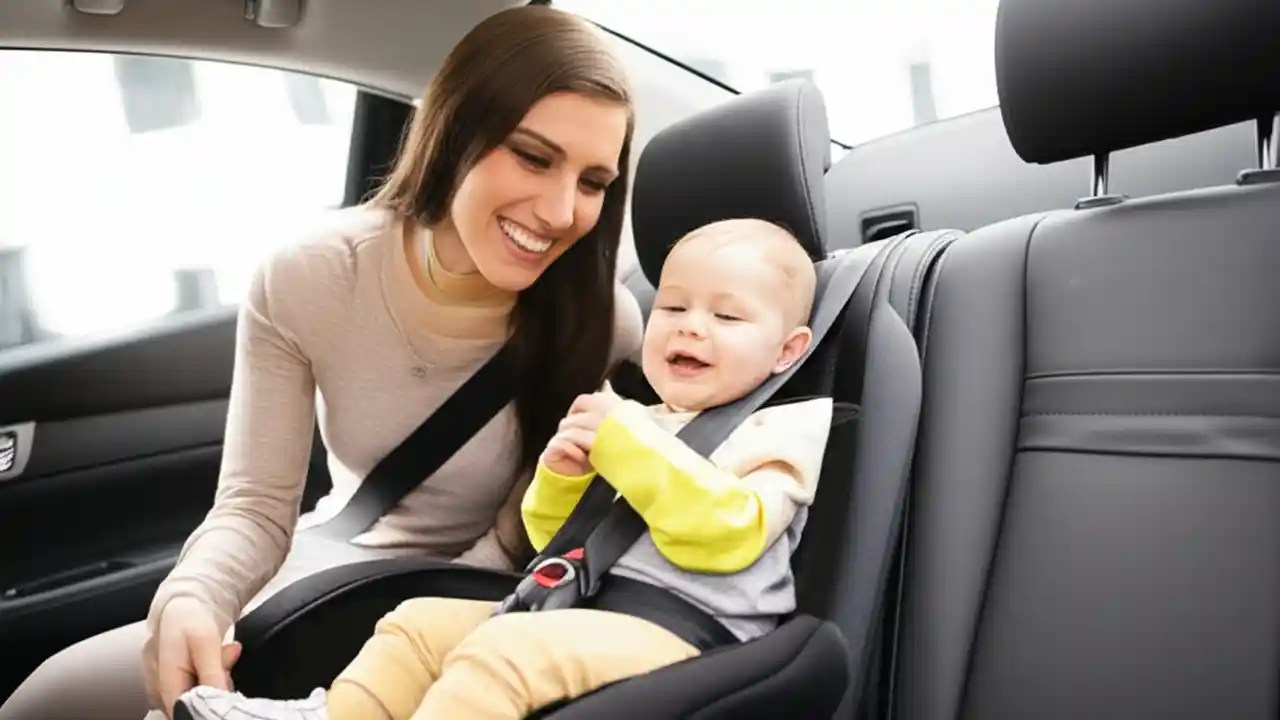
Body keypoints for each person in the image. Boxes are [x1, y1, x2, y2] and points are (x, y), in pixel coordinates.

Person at [0, 7, 643, 720]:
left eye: (593, 182)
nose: (560, 210)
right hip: (319, 570)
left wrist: (393, 640)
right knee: (43, 702)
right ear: (458, 133)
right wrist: (193, 595)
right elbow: (254, 506)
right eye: (533, 156)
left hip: (466, 612)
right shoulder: (311, 275)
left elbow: (523, 542)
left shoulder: (605, 324)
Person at [175, 218, 832, 720]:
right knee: (417, 623)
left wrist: (627, 445)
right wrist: (565, 474)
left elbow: (731, 532)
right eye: (674, 308)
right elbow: (555, 540)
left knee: (503, 652)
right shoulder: (643, 420)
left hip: (689, 630)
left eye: (725, 315)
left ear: (787, 350)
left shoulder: (782, 429)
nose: (691, 327)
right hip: (585, 602)